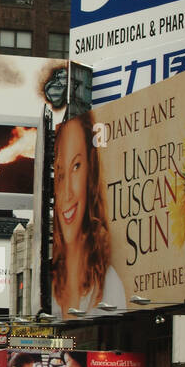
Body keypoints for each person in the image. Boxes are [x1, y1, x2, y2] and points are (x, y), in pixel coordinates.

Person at [51, 113, 125, 319]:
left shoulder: (109, 287)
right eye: (59, 172)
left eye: (76, 166)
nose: (67, 193)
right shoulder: (43, 285)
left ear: (90, 174)